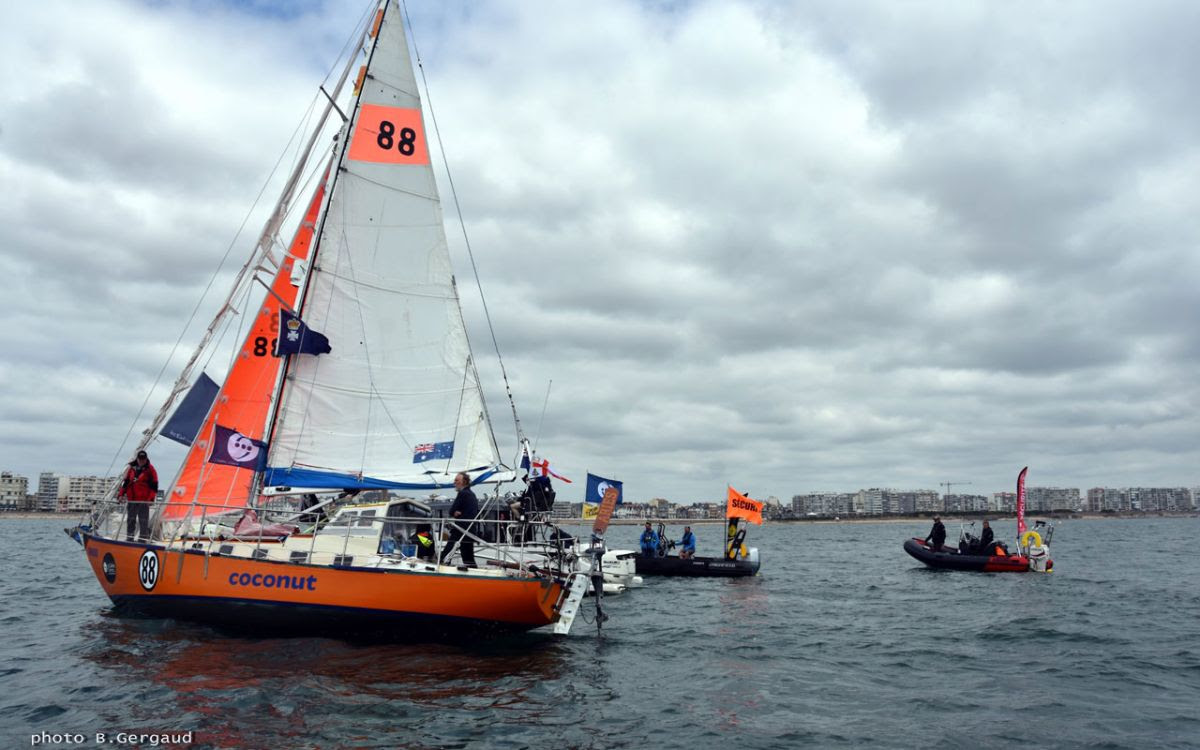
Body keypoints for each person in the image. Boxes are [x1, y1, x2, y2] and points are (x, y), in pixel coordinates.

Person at [117, 450, 158, 542]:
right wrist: (121, 495)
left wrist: (151, 499)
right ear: (137, 459)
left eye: (143, 459)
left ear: (146, 459)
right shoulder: (131, 468)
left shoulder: (151, 470)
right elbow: (126, 483)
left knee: (143, 521)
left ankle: (142, 539)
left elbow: (154, 486)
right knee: (131, 520)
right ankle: (130, 538)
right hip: (132, 500)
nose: (141, 461)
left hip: (143, 501)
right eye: (140, 459)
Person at [441, 472, 478, 567]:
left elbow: (452, 511)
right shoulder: (471, 494)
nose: (454, 482)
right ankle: (474, 572)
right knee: (468, 557)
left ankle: (439, 567)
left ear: (464, 482)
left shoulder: (463, 493)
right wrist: (456, 512)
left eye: (457, 480)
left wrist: (455, 513)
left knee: (447, 553)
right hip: (469, 529)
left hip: (460, 529)